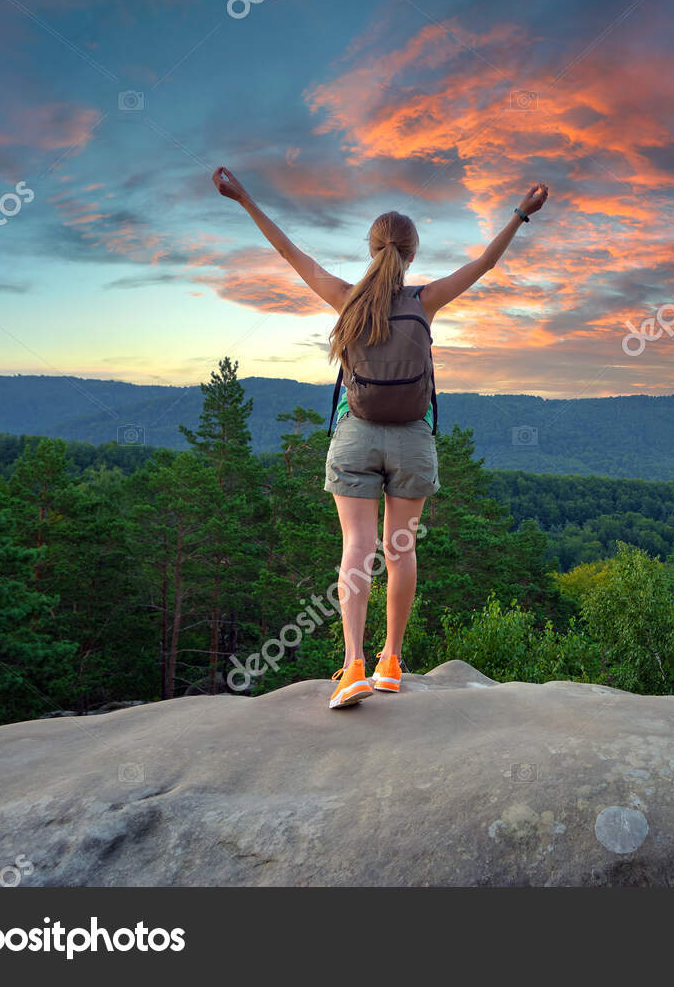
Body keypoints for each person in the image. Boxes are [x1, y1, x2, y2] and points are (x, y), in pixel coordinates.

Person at [213, 167, 550, 708]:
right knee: (400, 550)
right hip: (413, 438)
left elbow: (288, 252)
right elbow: (486, 263)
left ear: (371, 250)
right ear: (410, 255)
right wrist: (521, 212)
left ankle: (352, 666)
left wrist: (244, 197)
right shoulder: (426, 299)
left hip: (355, 437)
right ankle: (392, 660)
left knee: (356, 549)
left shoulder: (345, 297)